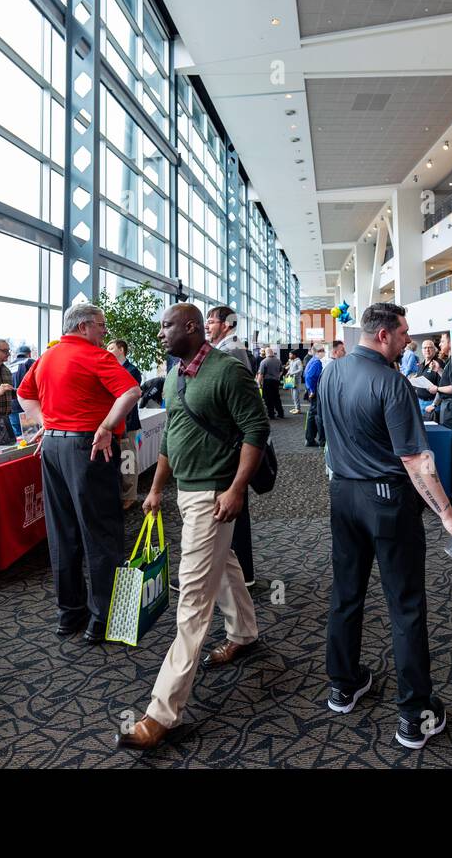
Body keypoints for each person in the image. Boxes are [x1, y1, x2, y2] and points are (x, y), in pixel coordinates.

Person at [319, 302, 452, 749]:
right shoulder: (392, 382)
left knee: (346, 592)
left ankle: (343, 685)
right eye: (405, 332)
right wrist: (448, 514)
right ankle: (415, 713)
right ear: (384, 335)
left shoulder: (332, 372)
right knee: (405, 604)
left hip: (342, 495)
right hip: (385, 501)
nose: (410, 339)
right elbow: (416, 460)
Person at [117, 304, 268, 751]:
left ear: (192, 327)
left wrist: (237, 488)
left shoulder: (227, 371)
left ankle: (162, 712)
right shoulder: (176, 374)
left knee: (193, 597)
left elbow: (256, 429)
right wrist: (157, 487)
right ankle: (243, 632)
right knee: (226, 565)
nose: (159, 333)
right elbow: (172, 435)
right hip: (186, 491)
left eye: (165, 326)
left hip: (214, 494)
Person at [16, 303, 140, 644]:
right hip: (89, 448)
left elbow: (23, 395)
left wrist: (47, 424)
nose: (104, 332)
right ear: (84, 326)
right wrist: (106, 426)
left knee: (62, 531)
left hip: (53, 449)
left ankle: (70, 613)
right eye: (101, 325)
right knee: (101, 532)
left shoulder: (47, 357)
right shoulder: (97, 357)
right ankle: (104, 616)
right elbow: (131, 391)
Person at [205, 304, 260, 586]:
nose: (207, 326)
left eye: (211, 321)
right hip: (233, 440)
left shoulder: (229, 352)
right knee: (233, 508)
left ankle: (239, 575)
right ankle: (240, 574)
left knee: (232, 504)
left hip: (231, 442)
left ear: (226, 324)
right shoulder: (232, 347)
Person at [107, 339, 144, 511]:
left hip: (128, 423)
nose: (108, 350)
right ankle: (122, 494)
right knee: (119, 460)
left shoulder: (132, 370)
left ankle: (130, 496)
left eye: (111, 347)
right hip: (116, 422)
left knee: (128, 459)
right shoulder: (112, 369)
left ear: (121, 349)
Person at [206, 305, 253, 372]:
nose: (206, 326)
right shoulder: (234, 345)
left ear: (225, 326)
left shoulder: (226, 351)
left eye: (210, 322)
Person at [424, 332, 452, 426]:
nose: (440, 344)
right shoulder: (449, 361)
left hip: (449, 406)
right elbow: (447, 380)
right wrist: (438, 370)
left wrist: (437, 389)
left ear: (450, 343)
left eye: (442, 341)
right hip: (446, 406)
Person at [7, 344, 35, 437]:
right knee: (30, 436)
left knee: (18, 437)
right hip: (26, 406)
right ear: (29, 354)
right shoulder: (29, 362)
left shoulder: (9, 366)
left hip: (12, 407)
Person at [304, 345, 326, 448]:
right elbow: (309, 376)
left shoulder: (312, 361)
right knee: (315, 414)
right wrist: (312, 390)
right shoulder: (316, 362)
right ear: (319, 351)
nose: (324, 353)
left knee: (313, 414)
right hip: (315, 391)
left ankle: (310, 439)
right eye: (323, 351)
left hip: (313, 390)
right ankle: (311, 439)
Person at [256, 346, 285, 420]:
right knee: (276, 397)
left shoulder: (264, 361)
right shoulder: (278, 361)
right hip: (276, 381)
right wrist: (278, 376)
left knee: (268, 399)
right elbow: (281, 371)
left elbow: (261, 374)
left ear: (266, 353)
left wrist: (258, 383)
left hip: (267, 382)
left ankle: (271, 414)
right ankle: (281, 413)